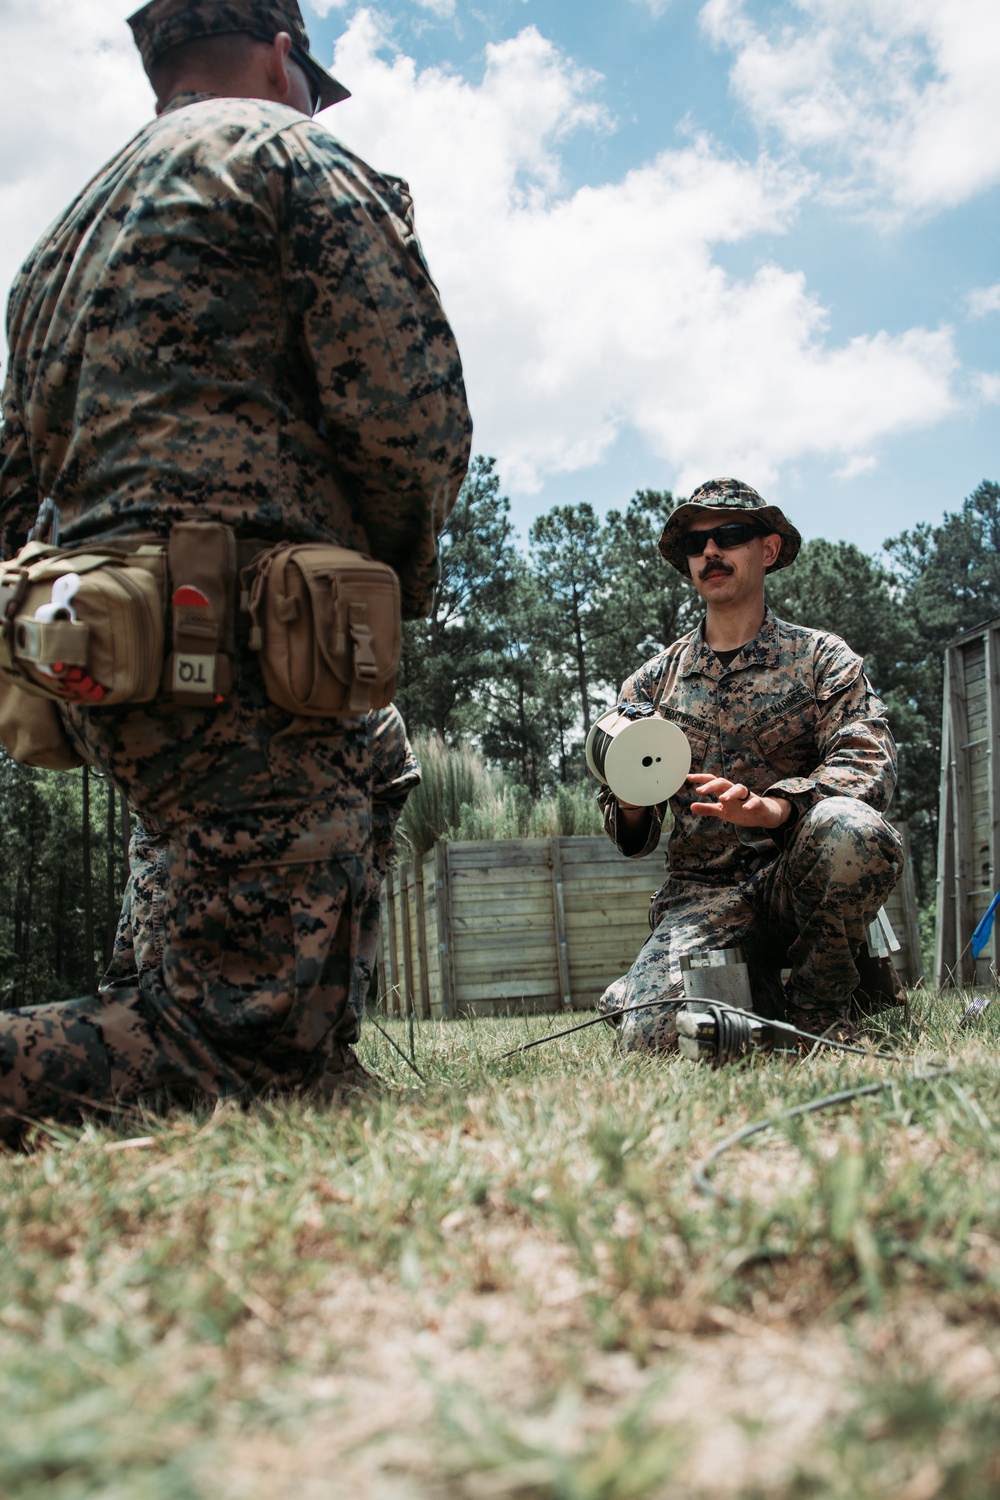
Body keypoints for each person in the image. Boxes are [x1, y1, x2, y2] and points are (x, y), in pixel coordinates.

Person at [0, 0, 471, 1134]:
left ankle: (291, 1038)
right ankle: (266, 1044)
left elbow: (15, 475)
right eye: (312, 75)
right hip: (248, 637)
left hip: (101, 637)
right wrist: (388, 590)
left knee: (356, 794)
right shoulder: (288, 156)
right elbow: (407, 418)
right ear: (279, 55)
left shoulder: (62, 237)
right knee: (238, 1058)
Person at [597, 477, 904, 1054]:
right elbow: (630, 837)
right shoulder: (649, 684)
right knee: (653, 1041)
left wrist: (777, 808)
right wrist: (631, 797)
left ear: (767, 549)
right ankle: (704, 992)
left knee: (852, 830)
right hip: (703, 898)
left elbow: (869, 763)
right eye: (696, 543)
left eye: (730, 535)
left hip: (800, 886)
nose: (710, 552)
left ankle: (820, 1014)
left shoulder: (821, 659)